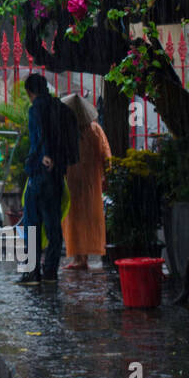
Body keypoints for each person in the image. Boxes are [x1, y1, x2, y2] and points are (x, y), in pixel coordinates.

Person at [17, 74, 76, 285]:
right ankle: (50, 271)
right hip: (58, 173)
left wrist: (44, 155)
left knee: (32, 224)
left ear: (30, 92)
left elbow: (38, 137)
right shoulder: (61, 109)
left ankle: (32, 272)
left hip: (40, 172)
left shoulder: (36, 109)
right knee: (53, 225)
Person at [61, 93, 109, 271]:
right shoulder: (95, 130)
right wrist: (107, 175)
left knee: (74, 218)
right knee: (87, 218)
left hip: (72, 181)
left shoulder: (66, 132)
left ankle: (80, 258)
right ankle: (82, 258)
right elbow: (106, 154)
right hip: (90, 181)